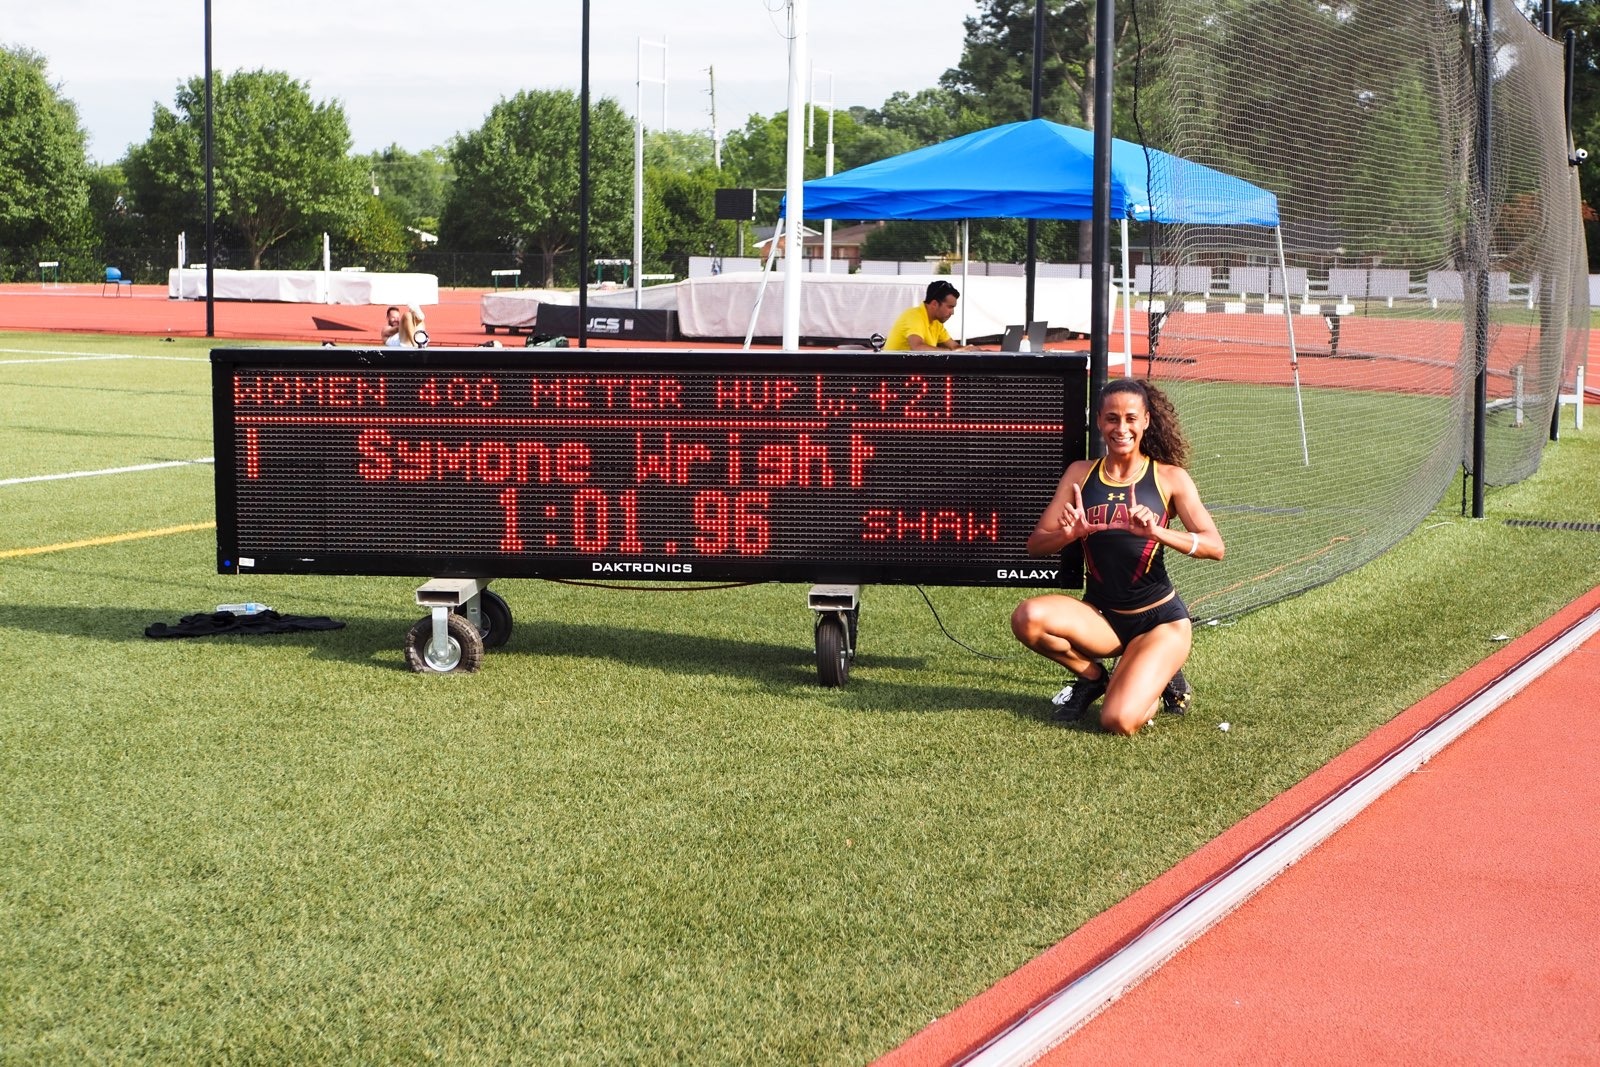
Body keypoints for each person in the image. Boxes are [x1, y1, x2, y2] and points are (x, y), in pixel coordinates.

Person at [1010, 378, 1224, 735]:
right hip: (1102, 618)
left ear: (1146, 421)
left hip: (1159, 622)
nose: (1120, 428)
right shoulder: (1080, 474)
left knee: (1118, 721)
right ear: (1099, 422)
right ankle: (1093, 678)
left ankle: (1158, 677)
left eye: (1129, 418)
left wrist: (1158, 531)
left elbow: (1214, 546)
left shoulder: (1170, 478)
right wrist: (1069, 534)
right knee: (1027, 617)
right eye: (1112, 419)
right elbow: (1036, 545)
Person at [883, 279, 971, 351]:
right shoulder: (914, 316)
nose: (952, 312)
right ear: (934, 304)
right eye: (950, 307)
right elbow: (917, 347)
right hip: (893, 371)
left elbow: (954, 347)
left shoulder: (936, 322)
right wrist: (950, 352)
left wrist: (969, 349)